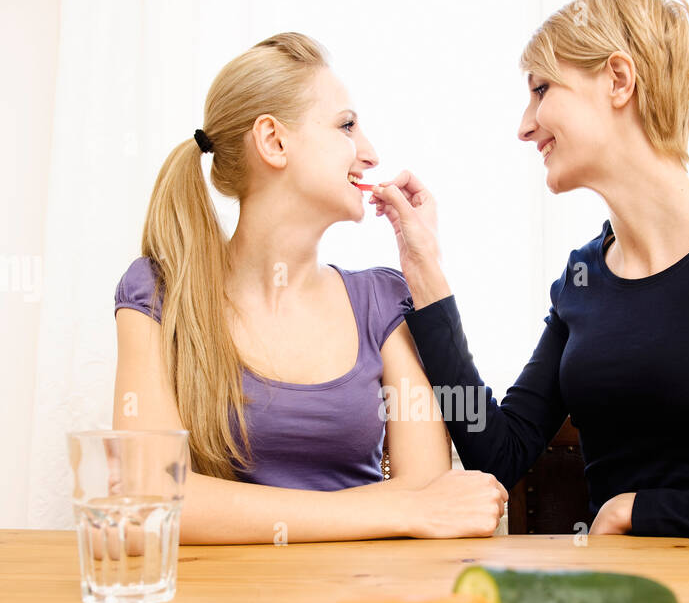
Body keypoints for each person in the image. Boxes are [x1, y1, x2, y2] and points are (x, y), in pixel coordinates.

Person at [369, 0, 689, 544]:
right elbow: (499, 454)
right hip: (613, 596)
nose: (524, 125)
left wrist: (643, 512)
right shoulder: (583, 279)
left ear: (618, 80)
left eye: (541, 89)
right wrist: (425, 268)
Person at [112, 32, 507, 544]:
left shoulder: (384, 302)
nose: (370, 152)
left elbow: (431, 500)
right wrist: (397, 506)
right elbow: (150, 501)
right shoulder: (157, 294)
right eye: (346, 126)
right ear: (274, 141)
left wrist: (209, 504)